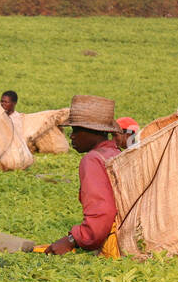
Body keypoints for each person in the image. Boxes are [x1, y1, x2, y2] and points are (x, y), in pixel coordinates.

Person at [34, 95, 123, 257]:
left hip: (115, 249)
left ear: (95, 131)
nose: (72, 136)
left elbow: (102, 213)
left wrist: (72, 240)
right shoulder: (115, 153)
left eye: (76, 130)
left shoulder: (93, 160)